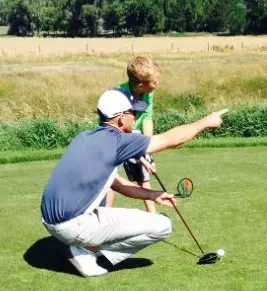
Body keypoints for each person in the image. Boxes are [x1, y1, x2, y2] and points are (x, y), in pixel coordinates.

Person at [41, 88, 228, 278]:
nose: (136, 117)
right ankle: (91, 256)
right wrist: (206, 122)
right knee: (162, 225)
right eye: (134, 113)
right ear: (121, 118)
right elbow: (171, 140)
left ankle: (83, 248)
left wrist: (153, 195)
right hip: (73, 226)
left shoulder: (84, 138)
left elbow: (118, 185)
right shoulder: (118, 141)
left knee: (106, 198)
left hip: (50, 222)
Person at [105, 56, 160, 213]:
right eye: (154, 82)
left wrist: (147, 149)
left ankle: (153, 218)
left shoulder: (148, 93)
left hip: (134, 134)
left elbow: (147, 119)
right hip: (113, 137)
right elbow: (122, 131)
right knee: (109, 179)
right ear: (141, 85)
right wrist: (141, 156)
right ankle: (104, 216)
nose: (157, 84)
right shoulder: (119, 96)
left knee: (144, 178)